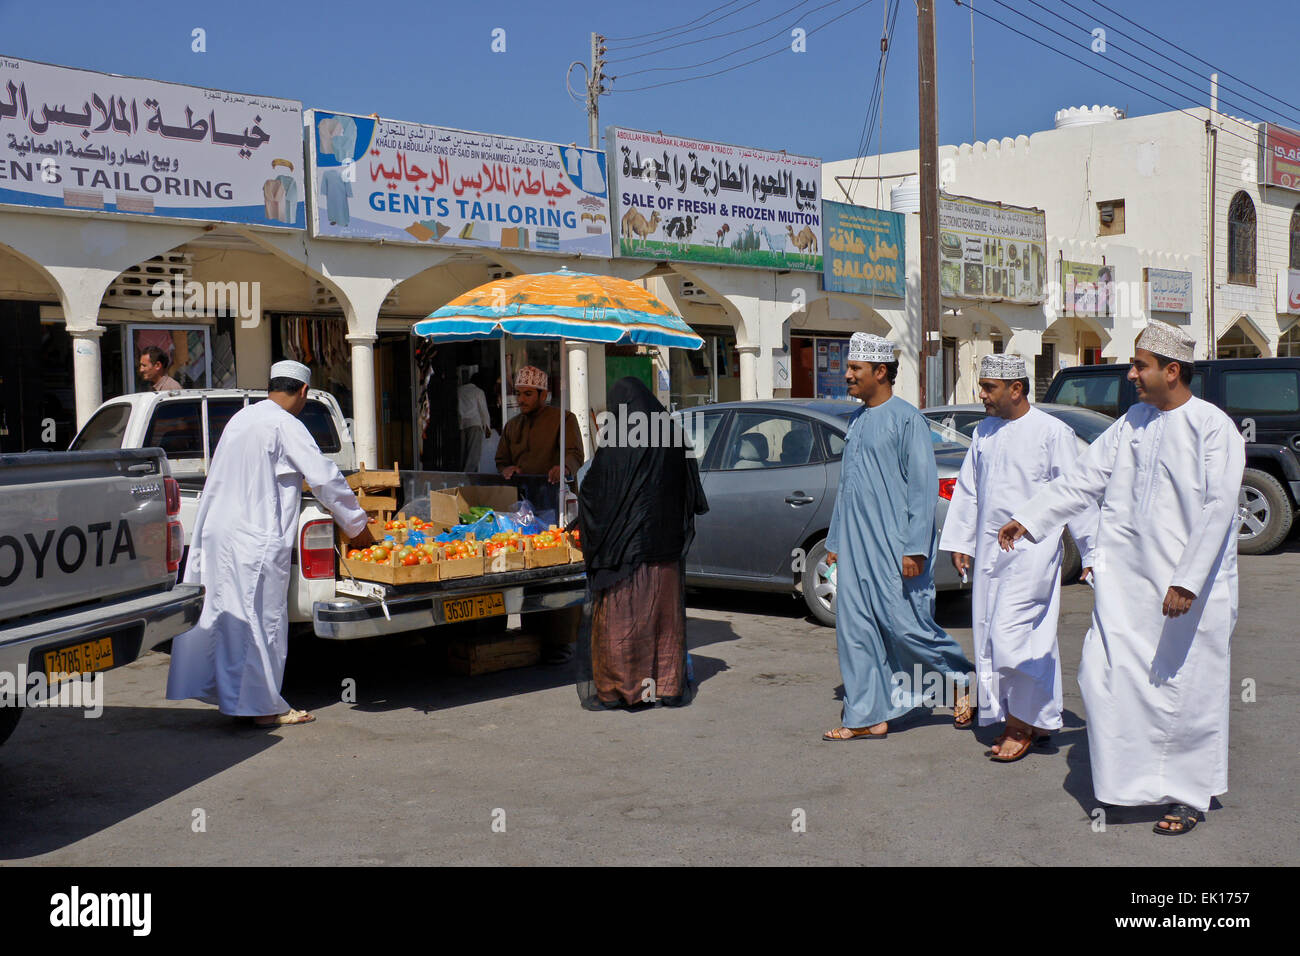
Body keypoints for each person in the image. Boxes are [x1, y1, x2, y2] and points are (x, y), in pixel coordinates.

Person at [998, 320, 1244, 835]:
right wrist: (1032, 516)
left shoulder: (1213, 427)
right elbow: (1084, 478)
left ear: (1171, 371)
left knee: (1184, 690)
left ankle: (1187, 795)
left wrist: (1188, 580)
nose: (1131, 374)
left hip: (1185, 592)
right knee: (1103, 678)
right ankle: (1131, 785)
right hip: (1126, 587)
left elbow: (1219, 508)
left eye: (1140, 365)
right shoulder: (1133, 421)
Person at [166, 361, 374, 727]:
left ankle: (236, 700)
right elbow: (325, 478)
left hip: (219, 533)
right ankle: (262, 707)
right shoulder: (285, 424)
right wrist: (358, 526)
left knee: (227, 618)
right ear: (304, 392)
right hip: (253, 538)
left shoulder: (241, 419)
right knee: (259, 622)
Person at [939, 354, 1096, 762]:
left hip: (1033, 554)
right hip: (991, 556)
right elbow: (969, 490)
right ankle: (1037, 718)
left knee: (1012, 637)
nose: (982, 395)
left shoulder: (1052, 432)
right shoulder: (985, 432)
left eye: (989, 388)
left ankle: (1019, 725)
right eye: (983, 386)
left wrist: (1093, 551)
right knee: (999, 635)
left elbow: (1075, 494)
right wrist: (962, 541)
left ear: (1017, 389)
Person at [823, 333, 975, 741]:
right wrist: (836, 542)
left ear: (880, 372)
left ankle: (960, 680)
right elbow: (848, 487)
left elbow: (922, 491)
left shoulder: (907, 419)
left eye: (856, 369)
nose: (848, 375)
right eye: (849, 368)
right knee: (855, 631)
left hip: (894, 550)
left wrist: (914, 549)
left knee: (905, 626)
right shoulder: (855, 422)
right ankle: (867, 715)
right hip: (856, 549)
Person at [575, 377, 708, 709]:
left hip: (626, 555)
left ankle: (624, 690)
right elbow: (690, 488)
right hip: (665, 553)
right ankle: (665, 684)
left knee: (622, 623)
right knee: (663, 623)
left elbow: (599, 488)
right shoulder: (673, 431)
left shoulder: (622, 434)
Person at [496, 365, 583, 515]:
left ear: (543, 395)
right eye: (518, 394)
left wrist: (564, 468)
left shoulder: (564, 419)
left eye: (528, 394)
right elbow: (501, 460)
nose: (521, 399)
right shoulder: (512, 425)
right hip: (521, 504)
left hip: (555, 500)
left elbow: (575, 454)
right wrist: (506, 469)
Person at [457, 368, 491, 472]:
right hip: (475, 424)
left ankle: (461, 477)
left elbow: (457, 408)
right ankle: (468, 478)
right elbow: (483, 410)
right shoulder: (478, 391)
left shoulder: (459, 390)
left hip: (462, 425)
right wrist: (487, 427)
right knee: (473, 454)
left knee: (462, 454)